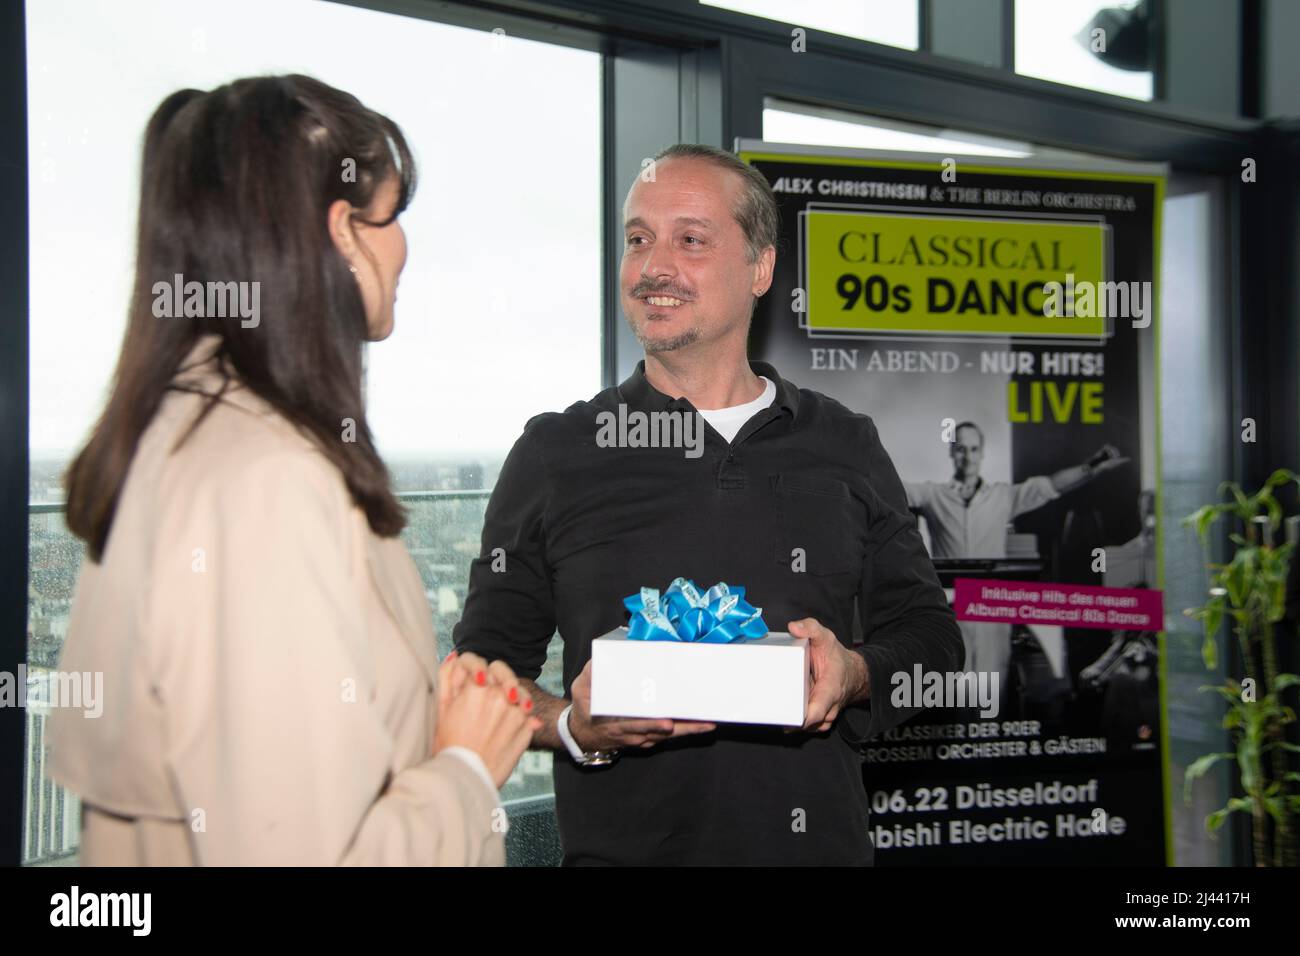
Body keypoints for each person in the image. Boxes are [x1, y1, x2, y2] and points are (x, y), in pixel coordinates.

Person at [47, 75, 539, 866]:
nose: (405, 247)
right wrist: (467, 768)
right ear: (343, 234)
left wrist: (424, 715)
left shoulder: (189, 437)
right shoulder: (268, 482)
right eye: (394, 215)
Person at [453, 143, 963, 865]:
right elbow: (482, 673)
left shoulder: (844, 443)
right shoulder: (554, 453)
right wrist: (574, 726)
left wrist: (853, 673)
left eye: (689, 239)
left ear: (760, 268)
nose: (653, 266)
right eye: (637, 239)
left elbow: (933, 646)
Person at [903, 421, 1127, 560]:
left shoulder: (1003, 497)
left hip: (988, 601)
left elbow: (1050, 485)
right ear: (952, 452)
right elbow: (891, 489)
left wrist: (1093, 466)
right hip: (947, 600)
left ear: (982, 453)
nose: (968, 457)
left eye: (974, 449)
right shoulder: (932, 495)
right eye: (961, 449)